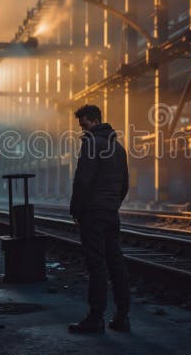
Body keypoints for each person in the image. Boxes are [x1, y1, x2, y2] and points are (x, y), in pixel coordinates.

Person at [67, 104, 131, 334]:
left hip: (93, 212)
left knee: (97, 264)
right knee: (116, 261)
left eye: (83, 124)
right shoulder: (119, 147)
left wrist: (76, 210)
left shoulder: (91, 144)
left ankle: (95, 318)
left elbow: (83, 180)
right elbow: (125, 184)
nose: (81, 128)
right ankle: (122, 317)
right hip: (111, 212)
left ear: (93, 120)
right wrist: (113, 204)